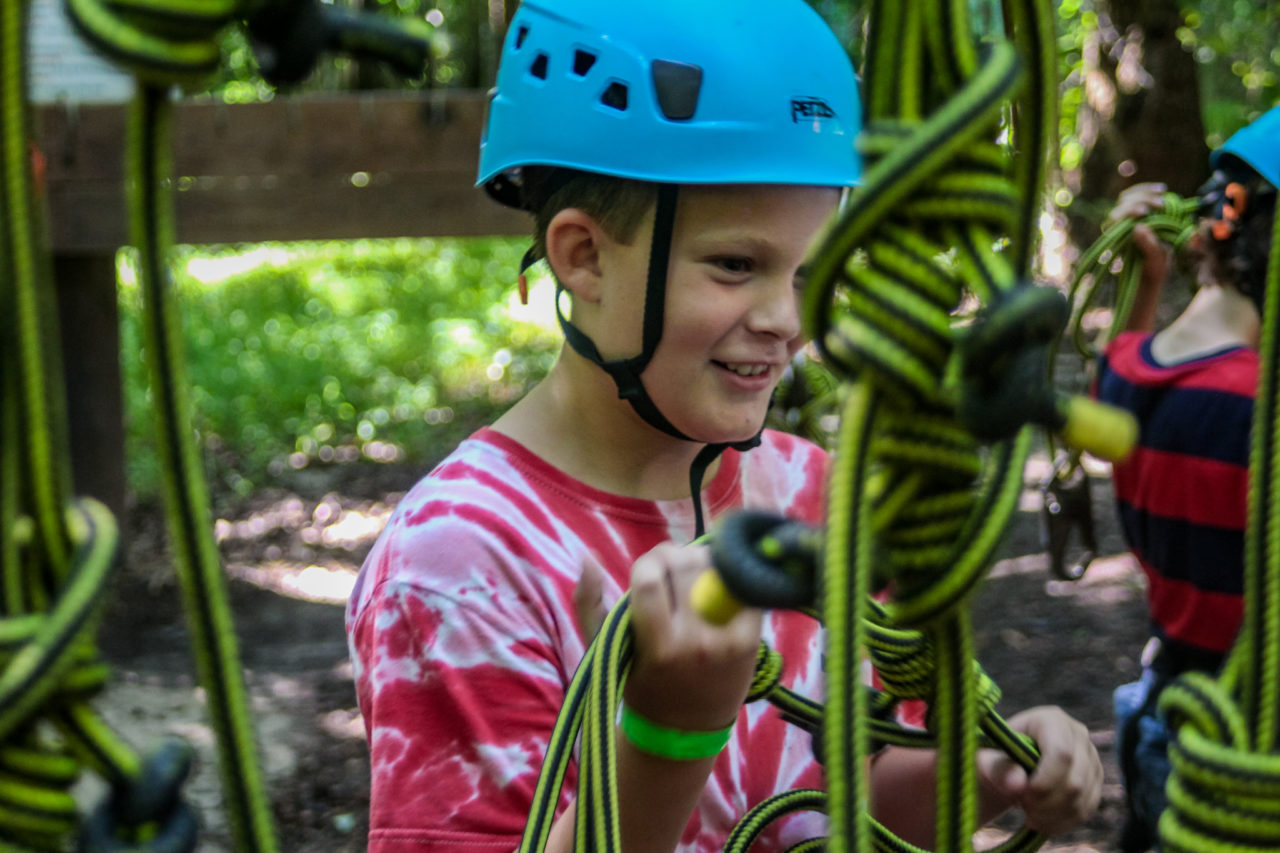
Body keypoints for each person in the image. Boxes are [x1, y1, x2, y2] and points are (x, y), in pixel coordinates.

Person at [345, 1, 1103, 851]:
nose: (787, 320)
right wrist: (667, 735)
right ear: (583, 256)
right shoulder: (459, 563)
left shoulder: (812, 491)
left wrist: (987, 773)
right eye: (736, 265)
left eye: (811, 273)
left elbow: (845, 802)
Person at [1094, 102, 1280, 853]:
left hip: (1164, 711)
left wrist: (1145, 277)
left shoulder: (1126, 374)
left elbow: (1122, 349)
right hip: (1249, 739)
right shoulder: (1257, 413)